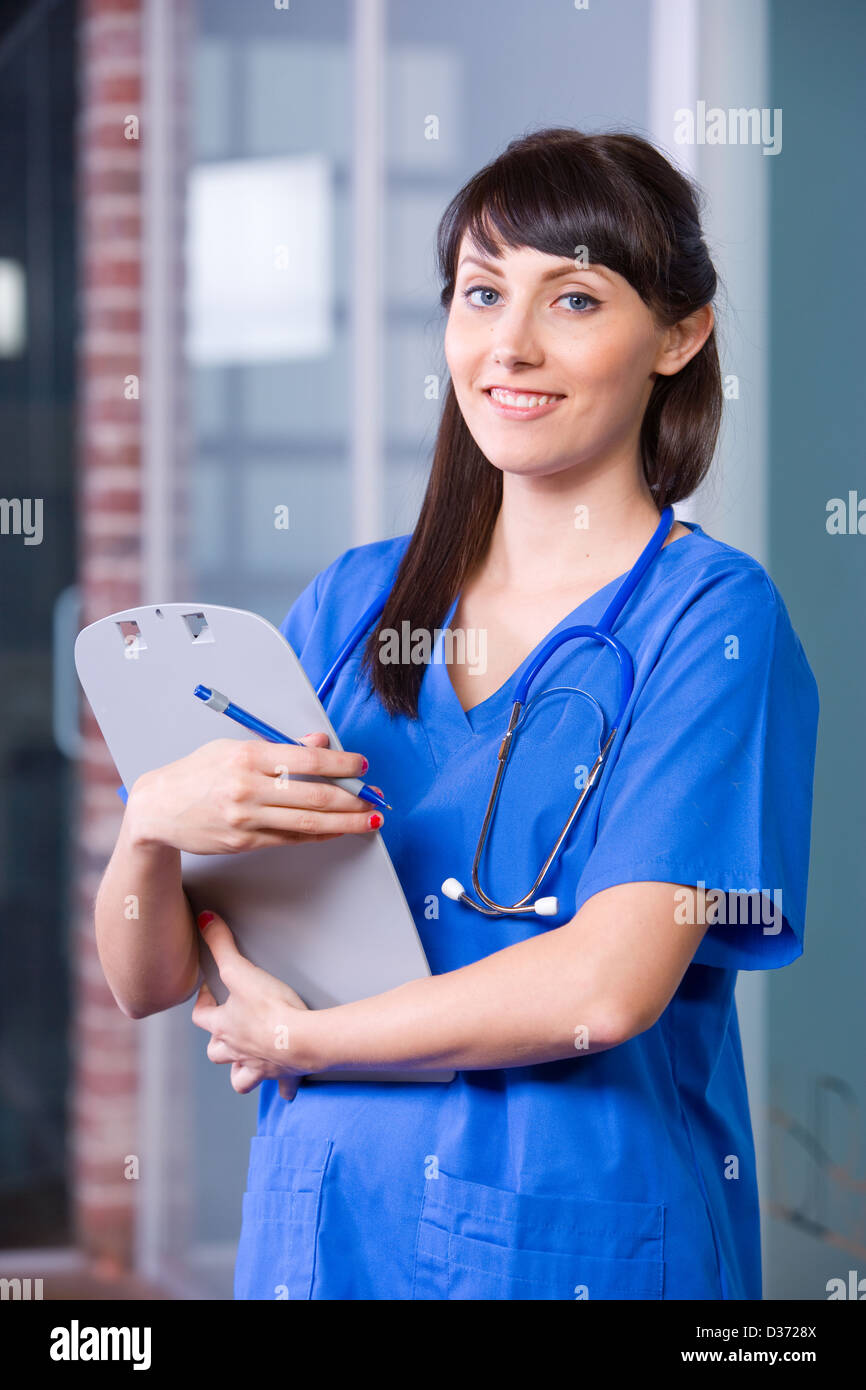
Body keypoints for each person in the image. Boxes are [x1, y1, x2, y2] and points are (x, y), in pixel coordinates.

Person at [94, 127, 819, 1300]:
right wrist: (150, 831)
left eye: (573, 298)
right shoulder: (352, 603)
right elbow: (148, 979)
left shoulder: (709, 620)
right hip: (322, 1238)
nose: (509, 345)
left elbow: (602, 985)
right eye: (480, 294)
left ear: (678, 338)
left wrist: (307, 1043)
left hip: (578, 1243)